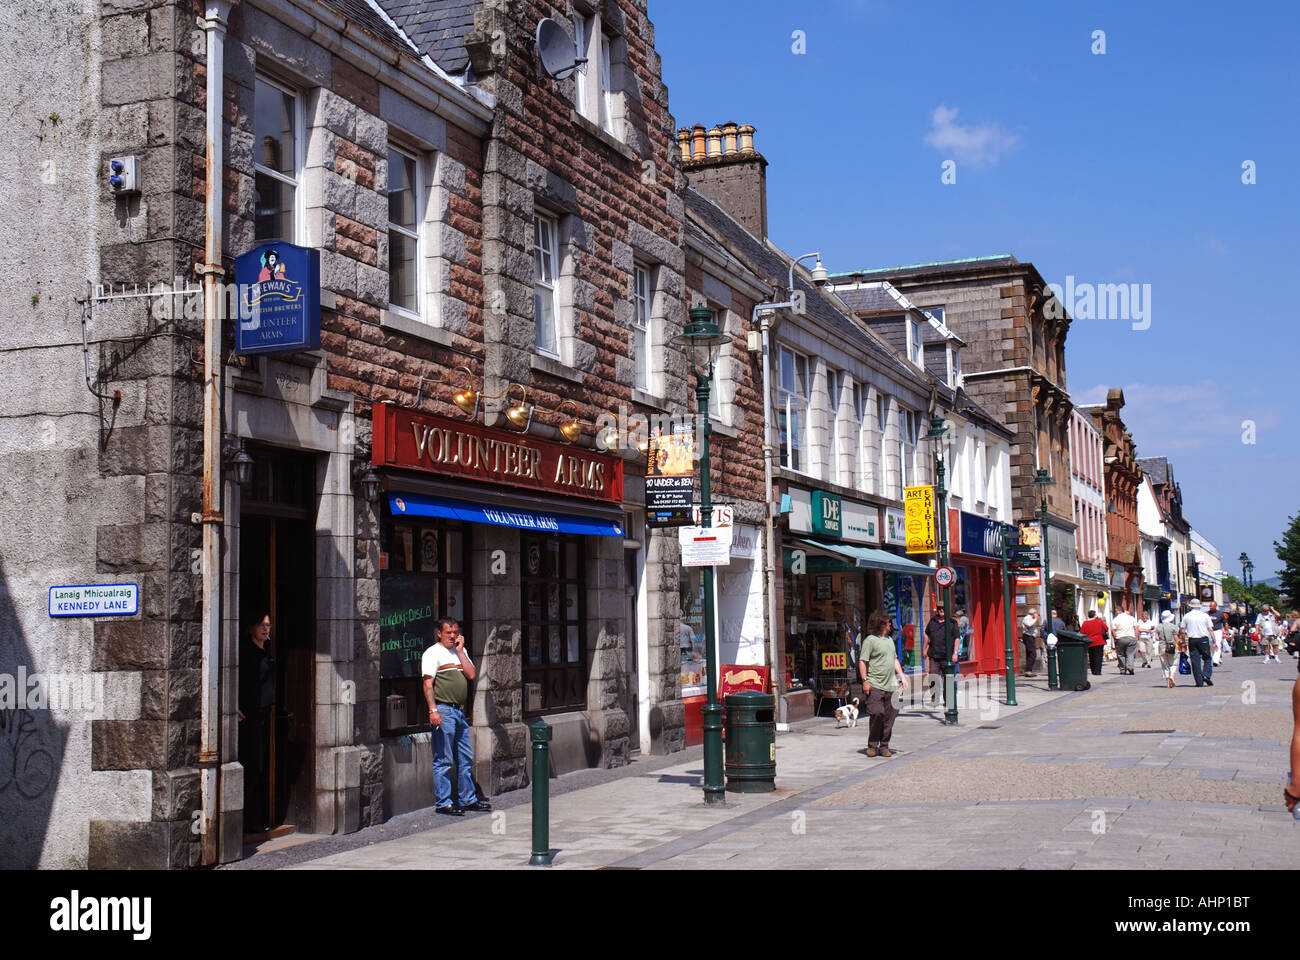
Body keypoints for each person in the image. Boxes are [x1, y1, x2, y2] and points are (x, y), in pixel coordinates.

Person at [422, 617, 491, 816]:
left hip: (459, 711)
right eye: (448, 633)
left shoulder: (460, 651)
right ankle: (443, 802)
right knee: (443, 758)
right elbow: (427, 684)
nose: (452, 636)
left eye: (455, 632)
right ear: (439, 633)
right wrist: (433, 710)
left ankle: (468, 798)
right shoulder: (432, 653)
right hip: (443, 710)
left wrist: (460, 651)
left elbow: (471, 674)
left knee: (465, 756)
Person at [238, 612, 275, 834]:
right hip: (248, 715)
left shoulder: (266, 652)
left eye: (268, 625)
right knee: (251, 767)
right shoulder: (246, 653)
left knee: (260, 766)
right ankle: (247, 821)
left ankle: (257, 818)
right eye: (261, 625)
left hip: (264, 714)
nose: (265, 628)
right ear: (251, 628)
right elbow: (240, 681)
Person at [858, 611, 909, 758]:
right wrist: (865, 680)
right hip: (875, 684)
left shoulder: (889, 641)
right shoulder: (870, 640)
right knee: (877, 713)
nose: (890, 624)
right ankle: (872, 745)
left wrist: (902, 677)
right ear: (881, 624)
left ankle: (884, 746)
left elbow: (894, 660)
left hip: (891, 685)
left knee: (890, 717)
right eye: (888, 622)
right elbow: (863, 661)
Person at [924, 603, 959, 709]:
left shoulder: (952, 623)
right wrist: (924, 649)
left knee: (948, 679)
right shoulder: (932, 621)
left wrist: (955, 653)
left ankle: (948, 700)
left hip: (947, 656)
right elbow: (927, 634)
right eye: (939, 608)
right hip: (934, 655)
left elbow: (957, 638)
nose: (941, 610)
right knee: (933, 676)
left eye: (943, 608)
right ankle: (934, 696)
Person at [1181, 599, 1216, 687]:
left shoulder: (1186, 616)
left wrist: (1183, 643)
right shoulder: (1205, 615)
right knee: (1207, 658)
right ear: (1199, 606)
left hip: (1192, 639)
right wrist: (1214, 641)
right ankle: (1206, 675)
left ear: (1191, 606)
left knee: (1195, 661)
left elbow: (1183, 631)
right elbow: (1210, 629)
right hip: (1203, 639)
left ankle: (1199, 682)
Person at [1155, 610, 1181, 688]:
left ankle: (1167, 683)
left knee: (1164, 665)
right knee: (1173, 663)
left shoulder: (1158, 626)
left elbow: (1157, 638)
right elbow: (1176, 639)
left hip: (1162, 647)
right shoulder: (1173, 627)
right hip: (1171, 647)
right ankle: (1172, 676)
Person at [1080, 609, 1108, 676]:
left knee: (1091, 656)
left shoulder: (1085, 623)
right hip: (1099, 641)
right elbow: (1106, 628)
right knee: (1098, 656)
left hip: (1090, 642)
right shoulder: (1099, 621)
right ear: (1095, 615)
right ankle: (1098, 671)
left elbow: (1082, 633)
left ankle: (1093, 670)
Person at [1111, 606, 1138, 675]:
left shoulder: (1115, 619)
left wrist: (1115, 639)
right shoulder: (1131, 618)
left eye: (1116, 611)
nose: (1115, 612)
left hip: (1120, 638)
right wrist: (1136, 637)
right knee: (1130, 653)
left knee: (1121, 654)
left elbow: (1113, 631)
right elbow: (1136, 628)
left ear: (1119, 611)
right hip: (1131, 637)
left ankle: (1123, 669)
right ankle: (1130, 666)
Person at [1206, 601, 1227, 667]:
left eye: (1212, 606)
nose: (1211, 607)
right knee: (1212, 646)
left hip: (1217, 631)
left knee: (1217, 644)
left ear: (1215, 606)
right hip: (1209, 631)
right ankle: (1218, 659)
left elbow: (1225, 622)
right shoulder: (1206, 614)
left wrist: (1226, 631)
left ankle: (1215, 660)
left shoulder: (1220, 614)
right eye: (1210, 606)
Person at [1021, 609, 1040, 676]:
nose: (1037, 614)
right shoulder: (1027, 618)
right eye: (1036, 613)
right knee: (1033, 654)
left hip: (1031, 637)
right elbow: (1029, 625)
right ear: (1033, 613)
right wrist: (1036, 619)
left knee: (1030, 653)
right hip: (1028, 637)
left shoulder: (1030, 618)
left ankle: (1028, 670)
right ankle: (1028, 670)